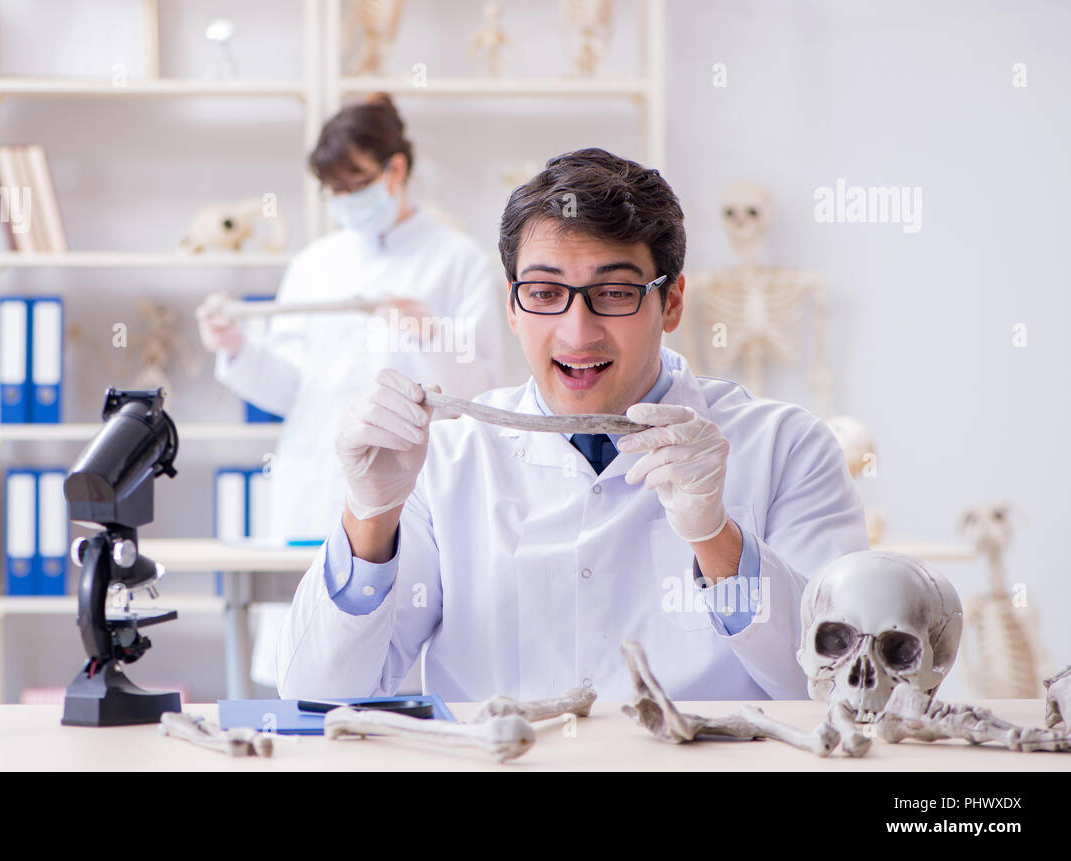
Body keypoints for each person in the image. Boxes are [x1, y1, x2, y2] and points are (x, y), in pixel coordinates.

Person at [276, 147, 869, 702]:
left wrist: (717, 540)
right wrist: (369, 517)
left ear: (673, 302)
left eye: (614, 292)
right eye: (544, 292)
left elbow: (845, 689)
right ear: (511, 305)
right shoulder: (448, 458)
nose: (577, 332)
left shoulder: (788, 447)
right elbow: (318, 694)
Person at [197, 93, 507, 689]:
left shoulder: (457, 259)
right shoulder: (316, 263)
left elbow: (482, 387)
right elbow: (291, 389)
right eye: (335, 189)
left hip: (412, 487)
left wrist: (431, 330)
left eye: (357, 182)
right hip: (312, 483)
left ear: (396, 169)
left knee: (397, 662)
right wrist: (236, 347)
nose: (347, 200)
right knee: (313, 668)